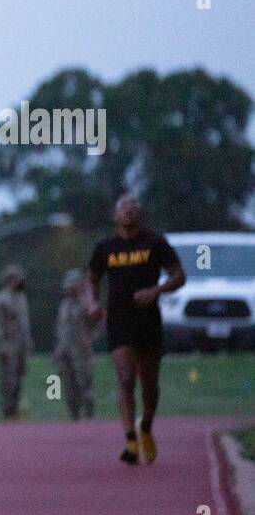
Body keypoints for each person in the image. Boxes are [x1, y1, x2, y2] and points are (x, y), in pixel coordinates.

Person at [88, 195, 186, 464]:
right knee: (126, 378)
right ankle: (130, 440)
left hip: (148, 320)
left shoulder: (155, 242)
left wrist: (157, 290)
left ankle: (146, 427)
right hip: (119, 320)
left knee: (149, 383)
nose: (129, 211)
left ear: (140, 215)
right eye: (124, 208)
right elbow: (93, 278)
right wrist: (93, 303)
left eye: (134, 208)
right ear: (115, 216)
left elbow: (179, 275)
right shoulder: (106, 247)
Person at [53, 268, 97, 420]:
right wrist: (57, 349)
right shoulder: (64, 304)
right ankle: (74, 416)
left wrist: (90, 339)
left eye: (73, 285)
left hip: (81, 350)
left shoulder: (86, 303)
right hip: (65, 349)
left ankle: (88, 415)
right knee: (68, 385)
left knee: (84, 383)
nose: (70, 288)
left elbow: (98, 323)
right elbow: (61, 327)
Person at [0, 265, 33, 419]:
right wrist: (1, 346)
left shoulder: (21, 297)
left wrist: (28, 343)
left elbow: (25, 322)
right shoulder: (1, 298)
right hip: (8, 345)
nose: (20, 282)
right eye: (17, 279)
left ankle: (14, 409)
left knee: (19, 377)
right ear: (10, 280)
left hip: (21, 344)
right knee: (8, 379)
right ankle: (6, 410)